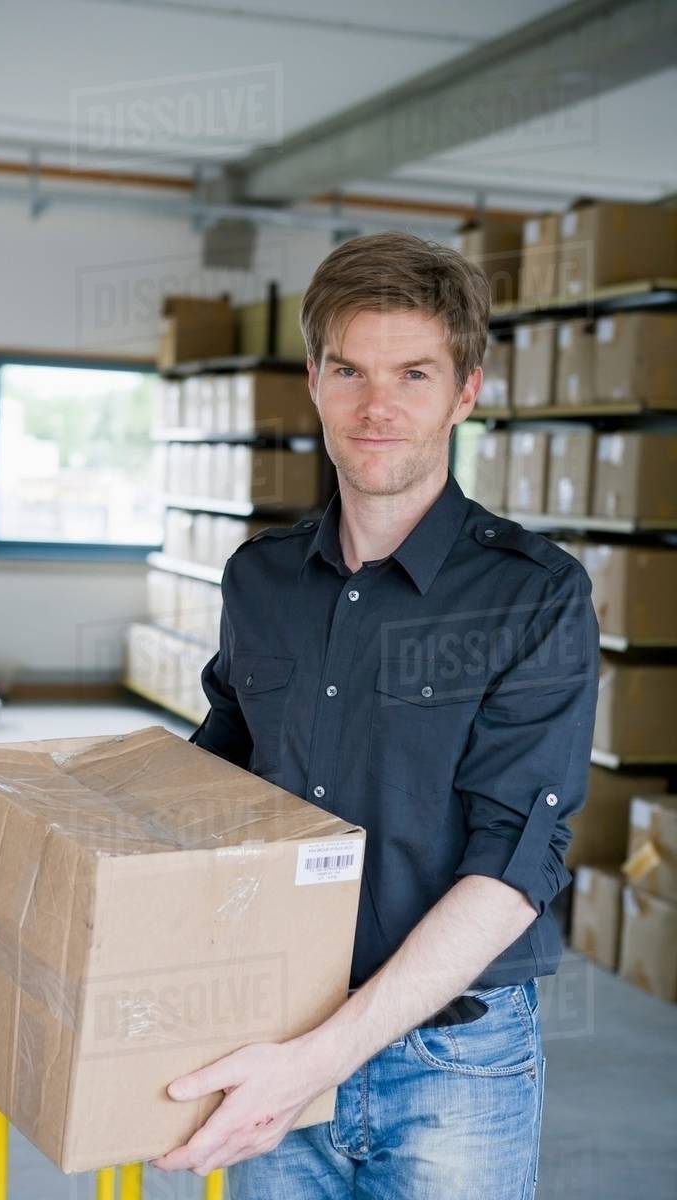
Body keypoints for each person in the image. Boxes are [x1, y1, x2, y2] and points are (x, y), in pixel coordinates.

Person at [149, 231, 600, 1199]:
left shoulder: (534, 598)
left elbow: (511, 871)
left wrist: (312, 1061)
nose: (375, 406)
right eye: (348, 369)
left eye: (412, 373)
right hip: (267, 1035)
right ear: (311, 378)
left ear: (465, 391)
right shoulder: (258, 580)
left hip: (452, 1069)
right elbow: (214, 788)